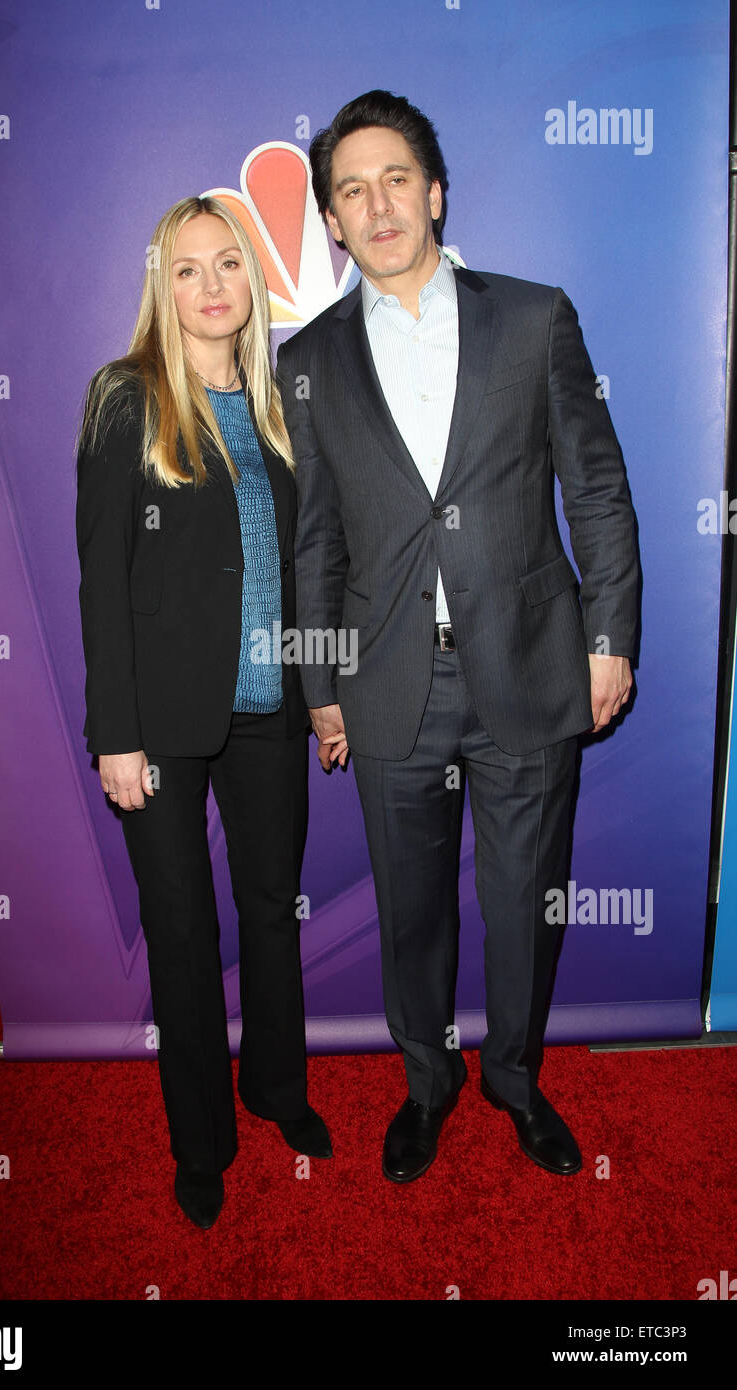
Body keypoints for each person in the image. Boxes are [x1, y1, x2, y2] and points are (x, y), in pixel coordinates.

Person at [276, 91, 640, 1183]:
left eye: (396, 179)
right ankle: (426, 1085)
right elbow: (314, 539)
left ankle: (516, 1080)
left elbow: (596, 489)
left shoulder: (532, 318)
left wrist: (609, 637)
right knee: (411, 912)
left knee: (526, 902)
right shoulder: (308, 360)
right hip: (388, 683)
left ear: (434, 193)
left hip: (531, 665)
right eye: (352, 190)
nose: (377, 204)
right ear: (331, 222)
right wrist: (319, 686)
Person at [76, 196, 332, 1229]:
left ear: (252, 279)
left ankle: (276, 1088)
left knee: (272, 910)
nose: (211, 285)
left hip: (271, 709)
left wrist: (322, 693)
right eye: (187, 269)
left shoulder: (277, 405)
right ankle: (201, 1143)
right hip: (161, 725)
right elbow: (102, 581)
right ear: (162, 286)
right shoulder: (126, 398)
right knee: (182, 931)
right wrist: (115, 735)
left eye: (227, 263)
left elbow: (303, 568)